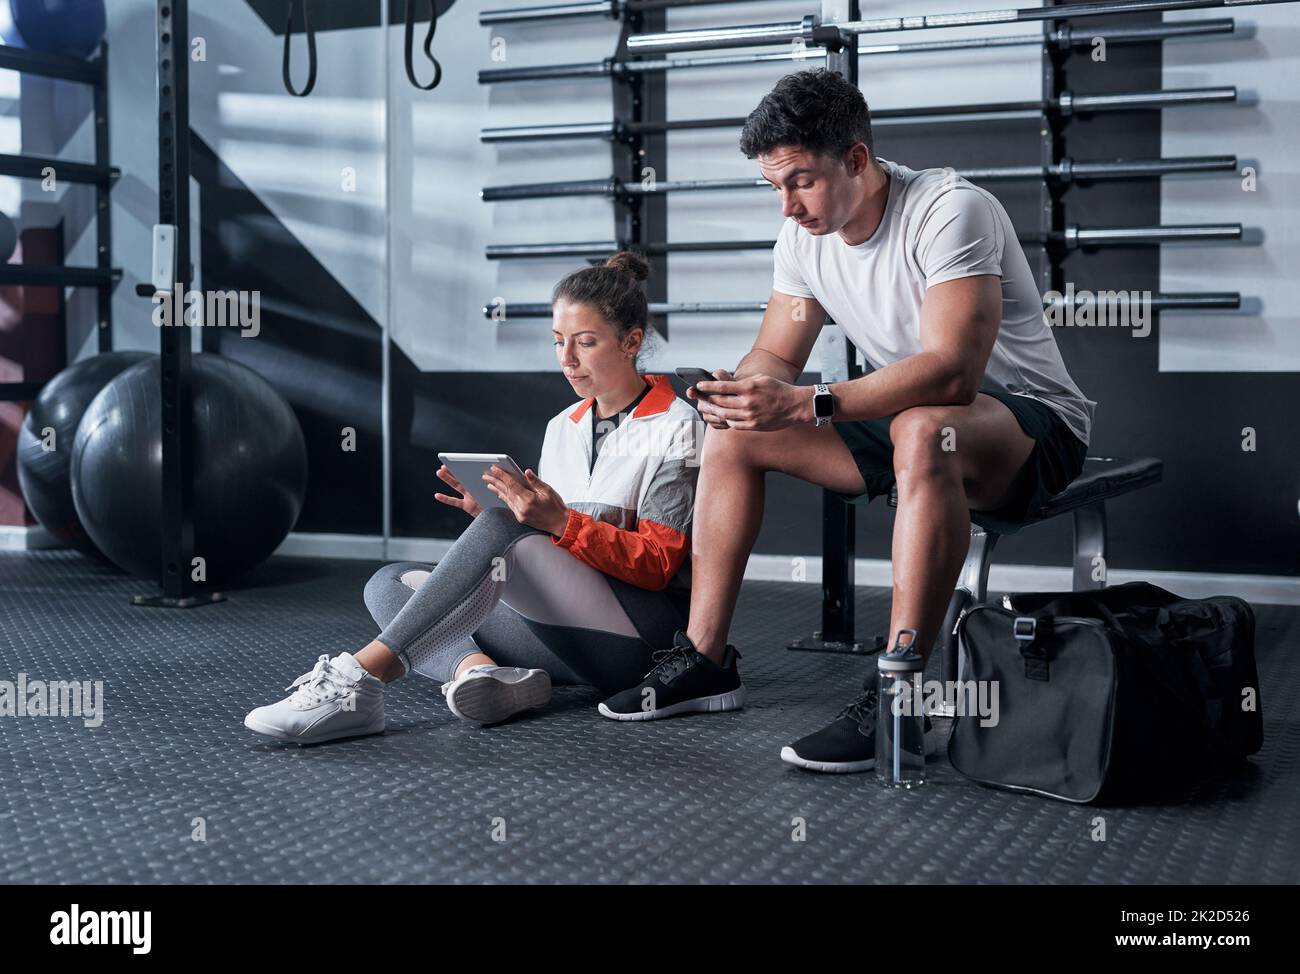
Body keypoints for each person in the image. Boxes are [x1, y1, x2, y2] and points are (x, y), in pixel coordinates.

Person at [597, 69, 1095, 775]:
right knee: (736, 435)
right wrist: (741, 391)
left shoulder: (951, 210)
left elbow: (955, 371)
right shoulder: (805, 240)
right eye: (774, 187)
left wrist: (807, 401)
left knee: (925, 427)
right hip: (904, 418)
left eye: (799, 181)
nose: (787, 206)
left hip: (1030, 429)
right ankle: (706, 659)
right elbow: (777, 350)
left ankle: (902, 693)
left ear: (857, 159)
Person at [243, 251, 708, 744]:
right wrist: (498, 518)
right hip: (566, 644)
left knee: (509, 524)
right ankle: (482, 675)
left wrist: (551, 523)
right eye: (558, 343)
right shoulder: (563, 426)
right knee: (389, 582)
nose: (566, 359)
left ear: (631, 341)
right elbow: (556, 557)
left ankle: (360, 682)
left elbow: (658, 565)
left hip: (642, 652)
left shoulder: (678, 426)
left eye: (585, 343)